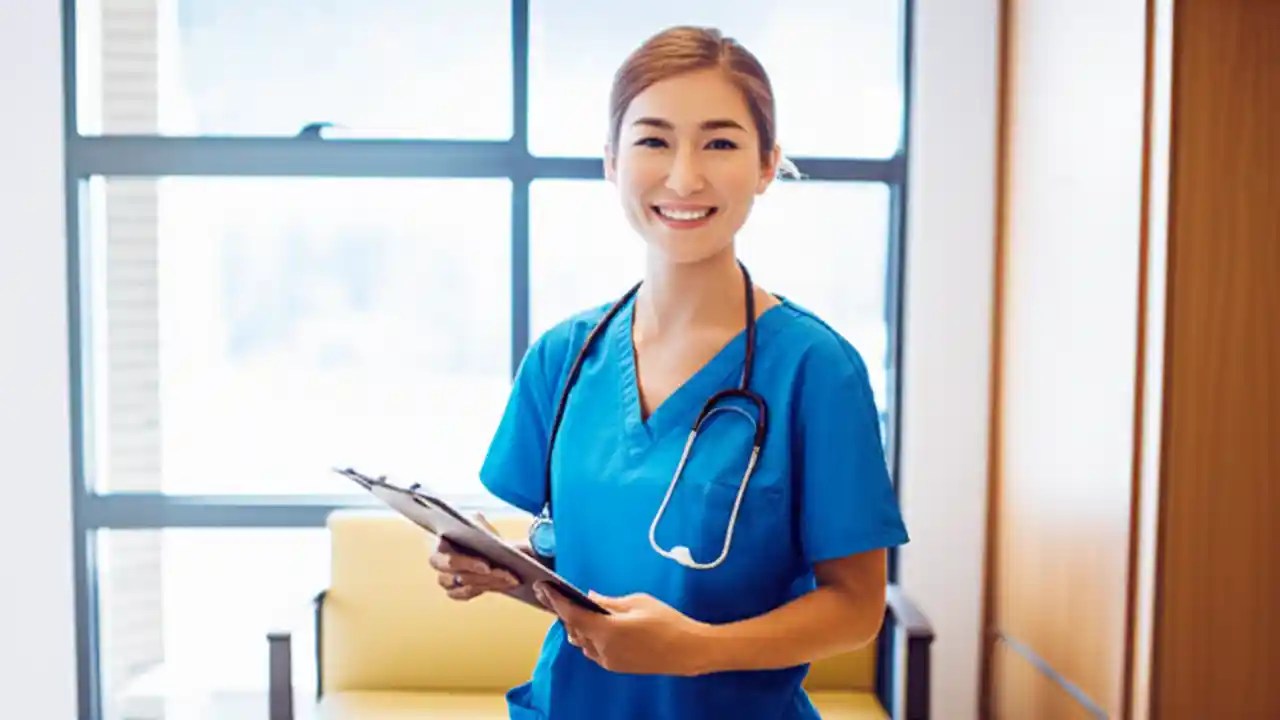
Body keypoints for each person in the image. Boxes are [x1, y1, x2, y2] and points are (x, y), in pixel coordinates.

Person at [428, 25, 909, 720]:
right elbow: (581, 568)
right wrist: (496, 568)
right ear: (611, 162)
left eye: (720, 144)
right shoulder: (563, 357)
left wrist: (697, 650)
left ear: (767, 165)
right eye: (653, 141)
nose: (684, 177)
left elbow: (856, 608)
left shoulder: (816, 370)